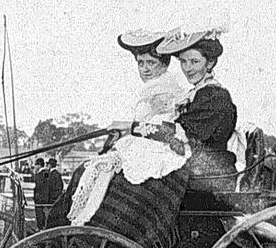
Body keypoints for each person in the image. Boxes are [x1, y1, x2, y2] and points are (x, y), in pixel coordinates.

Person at [65, 30, 190, 225]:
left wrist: (127, 130)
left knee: (94, 171)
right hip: (145, 143)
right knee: (89, 171)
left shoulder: (163, 89)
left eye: (151, 63)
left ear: (164, 65)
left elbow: (162, 127)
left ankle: (81, 226)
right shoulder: (155, 87)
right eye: (141, 63)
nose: (145, 69)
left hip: (158, 148)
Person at [165, 29, 237, 192]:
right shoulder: (197, 93)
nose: (187, 68)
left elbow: (177, 133)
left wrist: (133, 128)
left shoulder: (215, 96)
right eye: (183, 62)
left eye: (194, 61)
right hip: (196, 170)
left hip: (210, 177)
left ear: (210, 63)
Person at [33, 158, 63, 228]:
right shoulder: (49, 173)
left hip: (44, 199)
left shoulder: (43, 174)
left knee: (41, 214)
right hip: (48, 198)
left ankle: (42, 227)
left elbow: (44, 187)